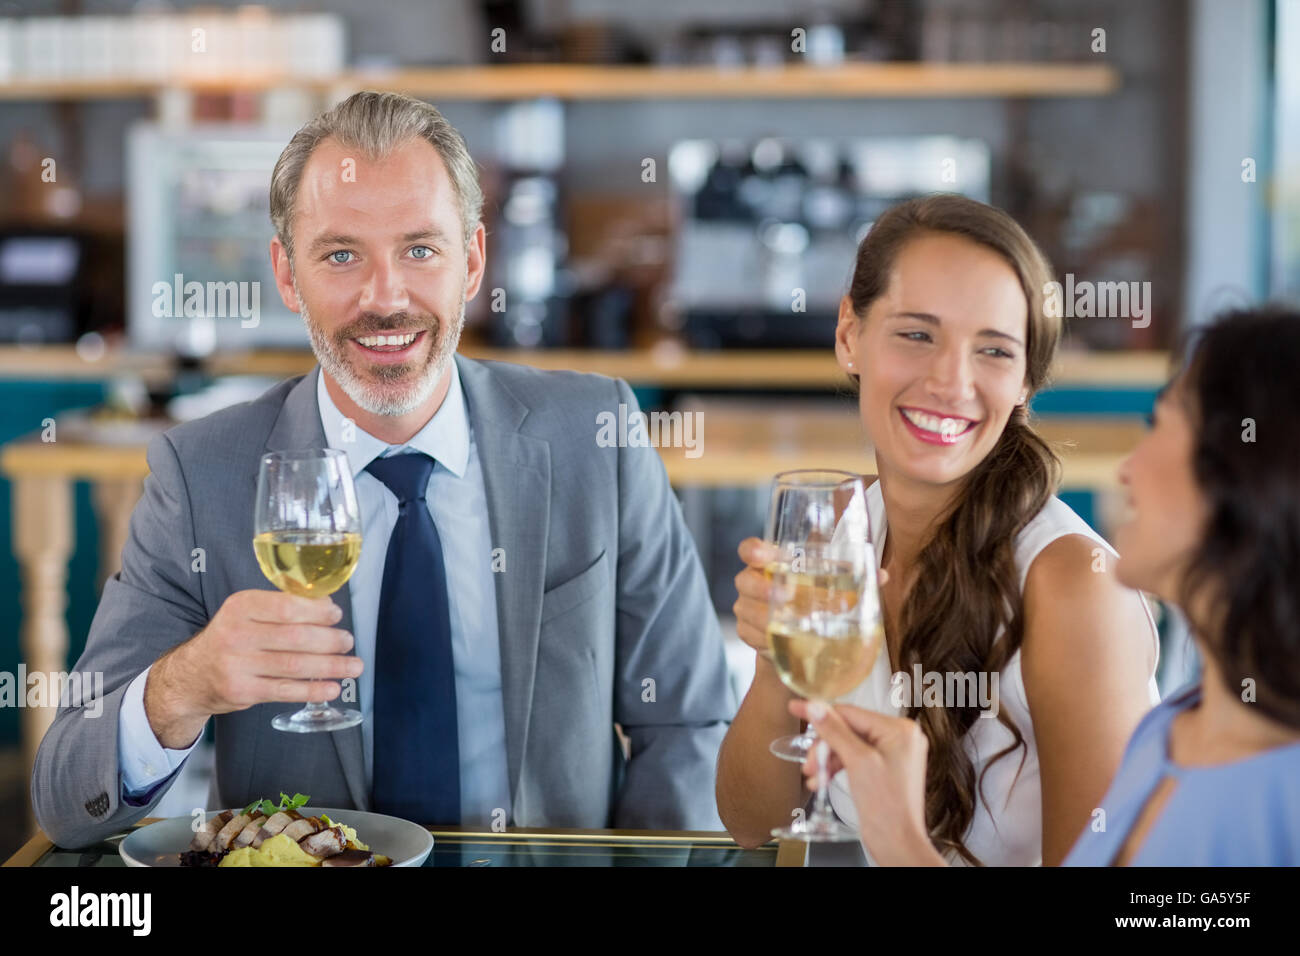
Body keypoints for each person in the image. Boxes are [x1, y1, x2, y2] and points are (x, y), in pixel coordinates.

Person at [31, 91, 734, 849]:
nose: (385, 298)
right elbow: (67, 800)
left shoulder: (596, 437)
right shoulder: (202, 473)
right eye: (341, 255)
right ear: (287, 275)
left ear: (472, 262)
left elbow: (687, 721)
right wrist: (183, 685)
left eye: (420, 250)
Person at [718, 194, 1159, 865]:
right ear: (849, 335)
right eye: (917, 334)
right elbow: (754, 824)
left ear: (1023, 385)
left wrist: (900, 842)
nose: (951, 383)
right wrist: (780, 666)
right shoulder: (838, 536)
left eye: (993, 351)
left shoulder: (1073, 588)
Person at [797, 306, 1300, 865]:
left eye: (1164, 426)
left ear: (1253, 482)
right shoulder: (1175, 727)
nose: (1129, 467)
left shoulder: (1279, 795)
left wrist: (903, 843)